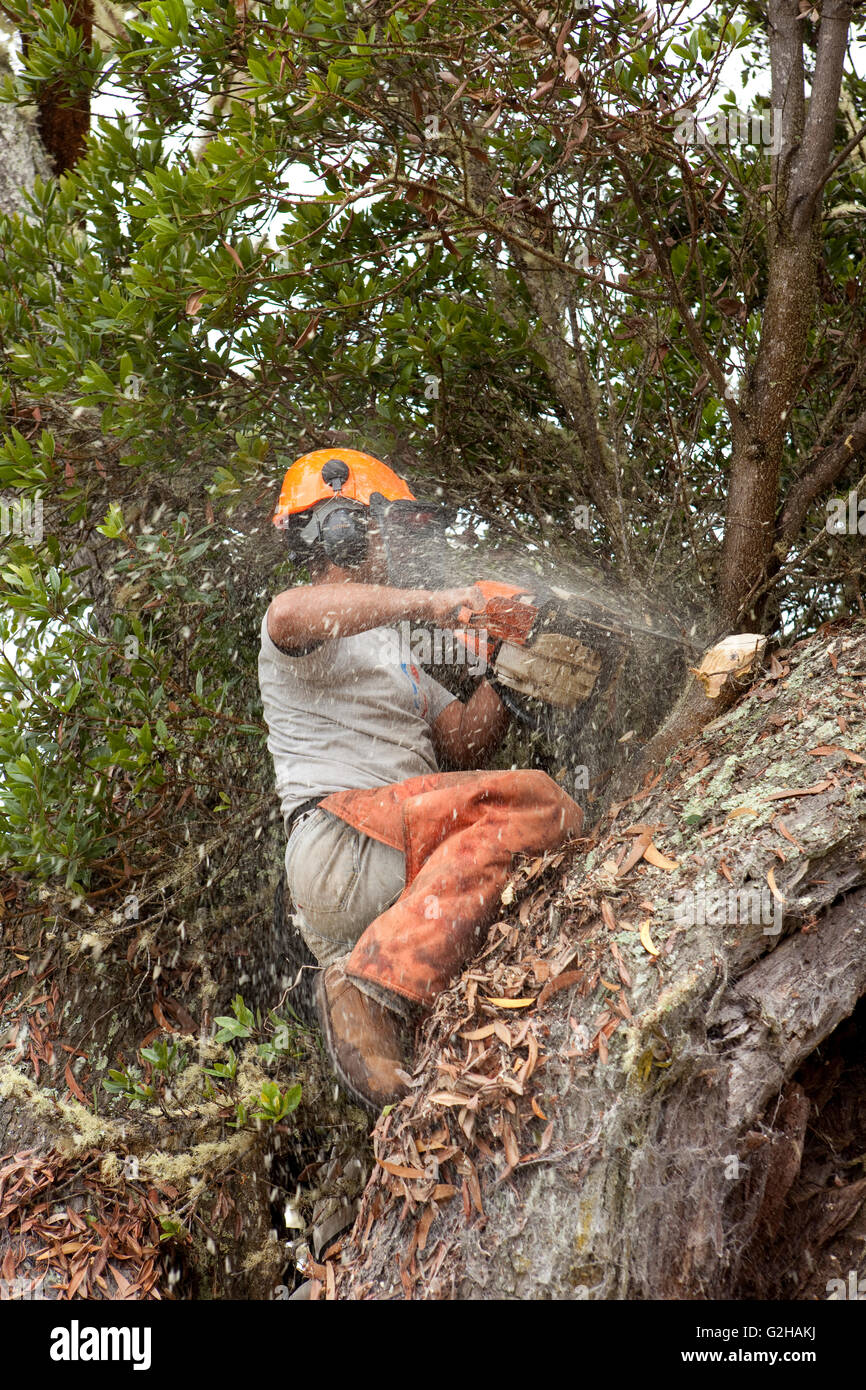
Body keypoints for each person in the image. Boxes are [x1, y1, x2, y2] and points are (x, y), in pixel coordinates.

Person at [258, 448, 583, 1111]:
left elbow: (458, 740)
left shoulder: (393, 648)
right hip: (344, 842)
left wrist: (511, 673)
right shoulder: (303, 624)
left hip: (395, 849)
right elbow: (290, 616)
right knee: (539, 802)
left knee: (530, 816)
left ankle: (372, 995)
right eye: (381, 526)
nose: (395, 544)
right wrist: (441, 604)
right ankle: (369, 990)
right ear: (338, 528)